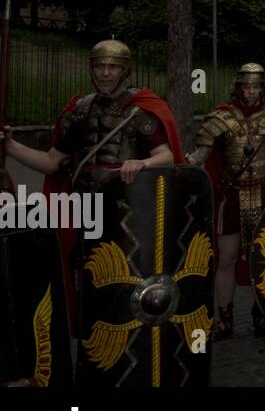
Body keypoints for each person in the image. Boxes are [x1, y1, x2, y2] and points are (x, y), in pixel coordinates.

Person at [1, 39, 183, 328]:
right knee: (85, 277)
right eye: (100, 66)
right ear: (92, 69)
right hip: (83, 209)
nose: (106, 73)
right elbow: (52, 162)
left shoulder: (143, 112)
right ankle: (91, 337)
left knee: (128, 278)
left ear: (125, 71)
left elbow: (167, 157)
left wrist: (142, 163)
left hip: (128, 213)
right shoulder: (78, 112)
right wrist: (11, 148)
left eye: (113, 67)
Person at [188, 63, 265, 338]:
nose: (250, 91)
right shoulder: (221, 116)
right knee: (226, 258)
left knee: (262, 258)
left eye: (255, 86)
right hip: (232, 195)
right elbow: (203, 154)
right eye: (246, 86)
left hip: (264, 195)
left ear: (262, 88)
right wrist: (187, 162)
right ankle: (224, 318)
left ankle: (262, 313)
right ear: (239, 87)